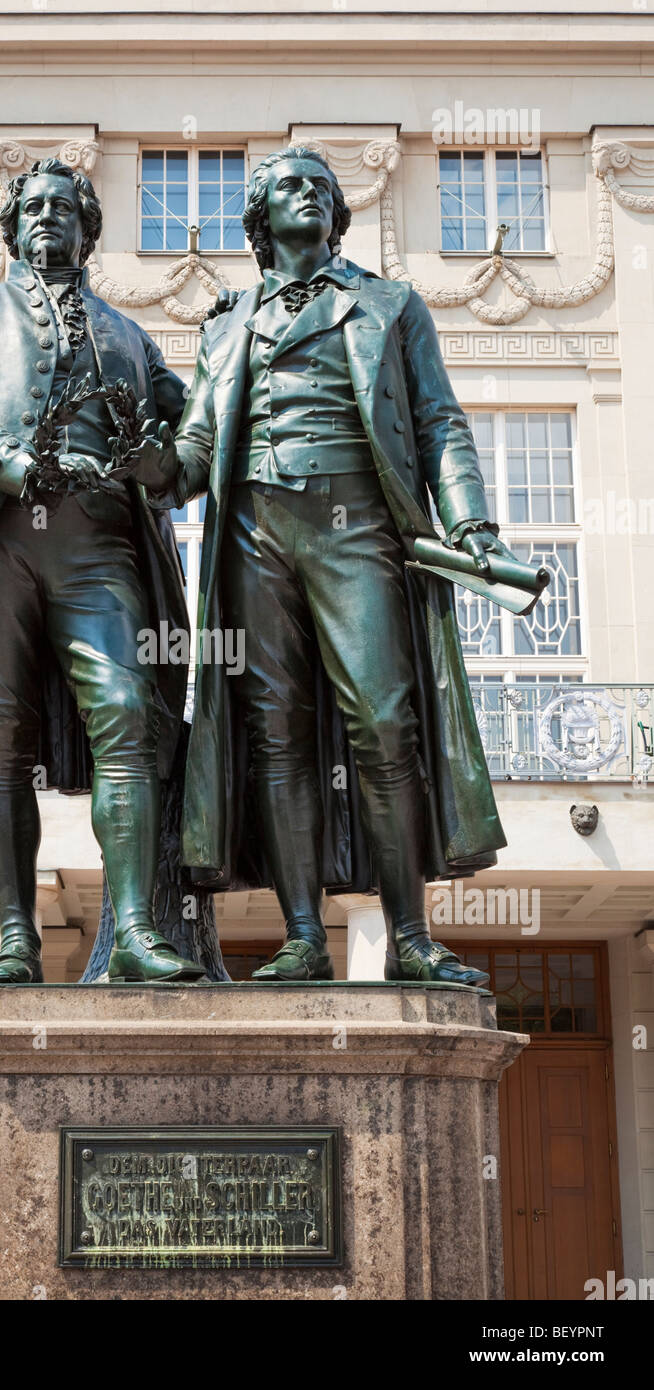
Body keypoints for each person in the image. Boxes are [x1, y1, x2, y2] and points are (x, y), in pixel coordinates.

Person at [144, 146, 516, 985]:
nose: (308, 195)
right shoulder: (227, 321)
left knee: (385, 726)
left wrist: (472, 523)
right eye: (289, 187)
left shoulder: (389, 304)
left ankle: (412, 940)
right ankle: (303, 935)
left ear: (337, 214)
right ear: (260, 217)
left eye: (321, 187)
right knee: (276, 737)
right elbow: (198, 445)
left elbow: (439, 423)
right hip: (253, 531)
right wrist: (149, 468)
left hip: (357, 529)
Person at [0, 157, 204, 985]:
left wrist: (163, 465)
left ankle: (137, 937)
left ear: (88, 228)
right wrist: (10, 458)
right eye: (33, 207)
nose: (47, 217)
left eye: (64, 208)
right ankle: (15, 939)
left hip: (100, 544)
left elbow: (193, 439)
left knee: (128, 716)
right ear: (13, 226)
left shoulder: (131, 334)